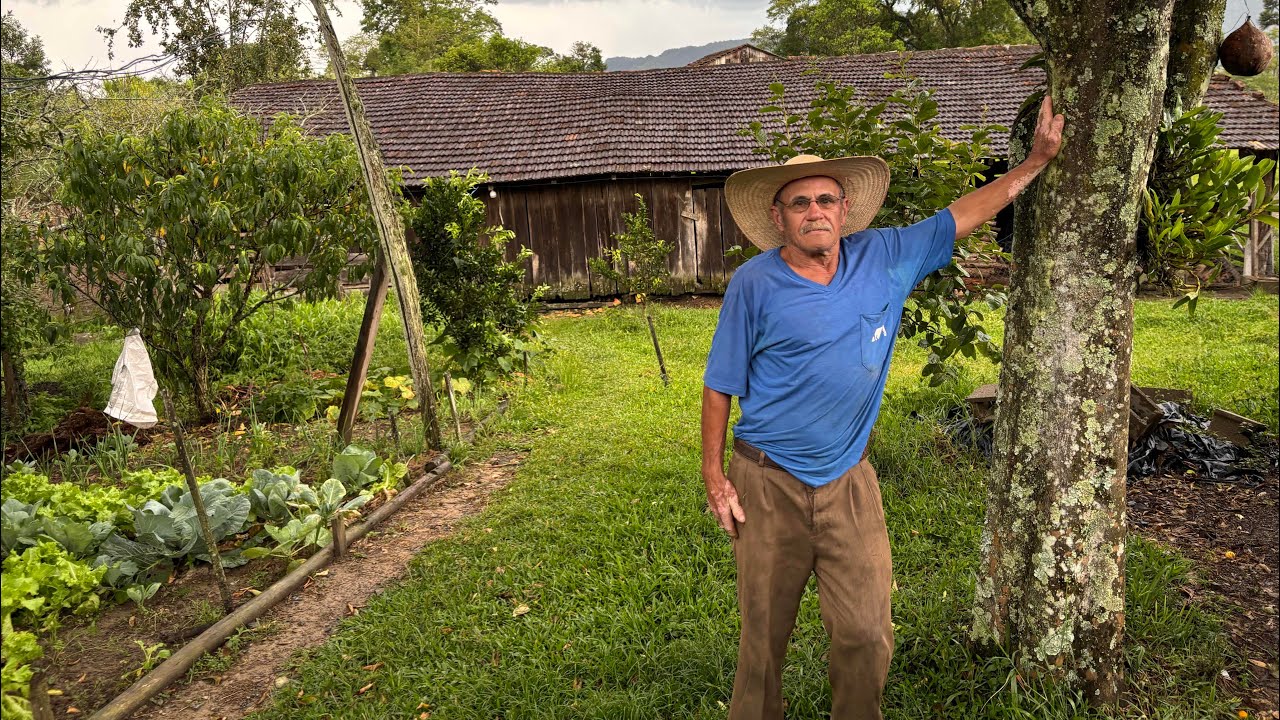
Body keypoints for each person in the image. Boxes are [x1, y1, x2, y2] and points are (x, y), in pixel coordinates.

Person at [701, 96, 1065, 719]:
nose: (814, 211)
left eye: (824, 200)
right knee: (762, 642)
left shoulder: (887, 256)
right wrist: (714, 477)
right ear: (778, 217)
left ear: (844, 210)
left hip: (849, 482)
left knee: (867, 635)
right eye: (800, 202)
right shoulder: (754, 283)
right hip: (764, 481)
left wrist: (1034, 162)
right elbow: (719, 385)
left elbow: (963, 214)